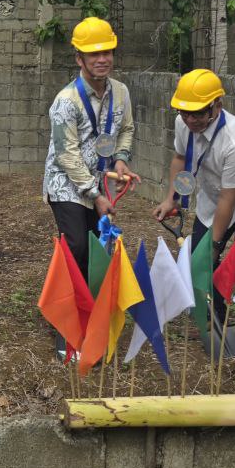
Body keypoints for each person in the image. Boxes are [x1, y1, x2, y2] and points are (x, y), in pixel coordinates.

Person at [153, 69, 235, 330]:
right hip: (215, 197)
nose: (191, 119)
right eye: (184, 112)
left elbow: (230, 199)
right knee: (198, 260)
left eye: (199, 112)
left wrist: (215, 245)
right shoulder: (184, 124)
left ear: (217, 105)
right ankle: (217, 321)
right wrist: (171, 199)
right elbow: (180, 159)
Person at [42, 17, 138, 278]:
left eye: (106, 52)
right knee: (76, 246)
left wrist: (120, 159)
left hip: (99, 181)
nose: (102, 59)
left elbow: (126, 129)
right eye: (93, 54)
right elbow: (67, 155)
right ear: (79, 59)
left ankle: (90, 308)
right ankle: (64, 314)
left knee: (97, 248)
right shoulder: (66, 101)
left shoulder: (121, 92)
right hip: (66, 184)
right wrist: (96, 196)